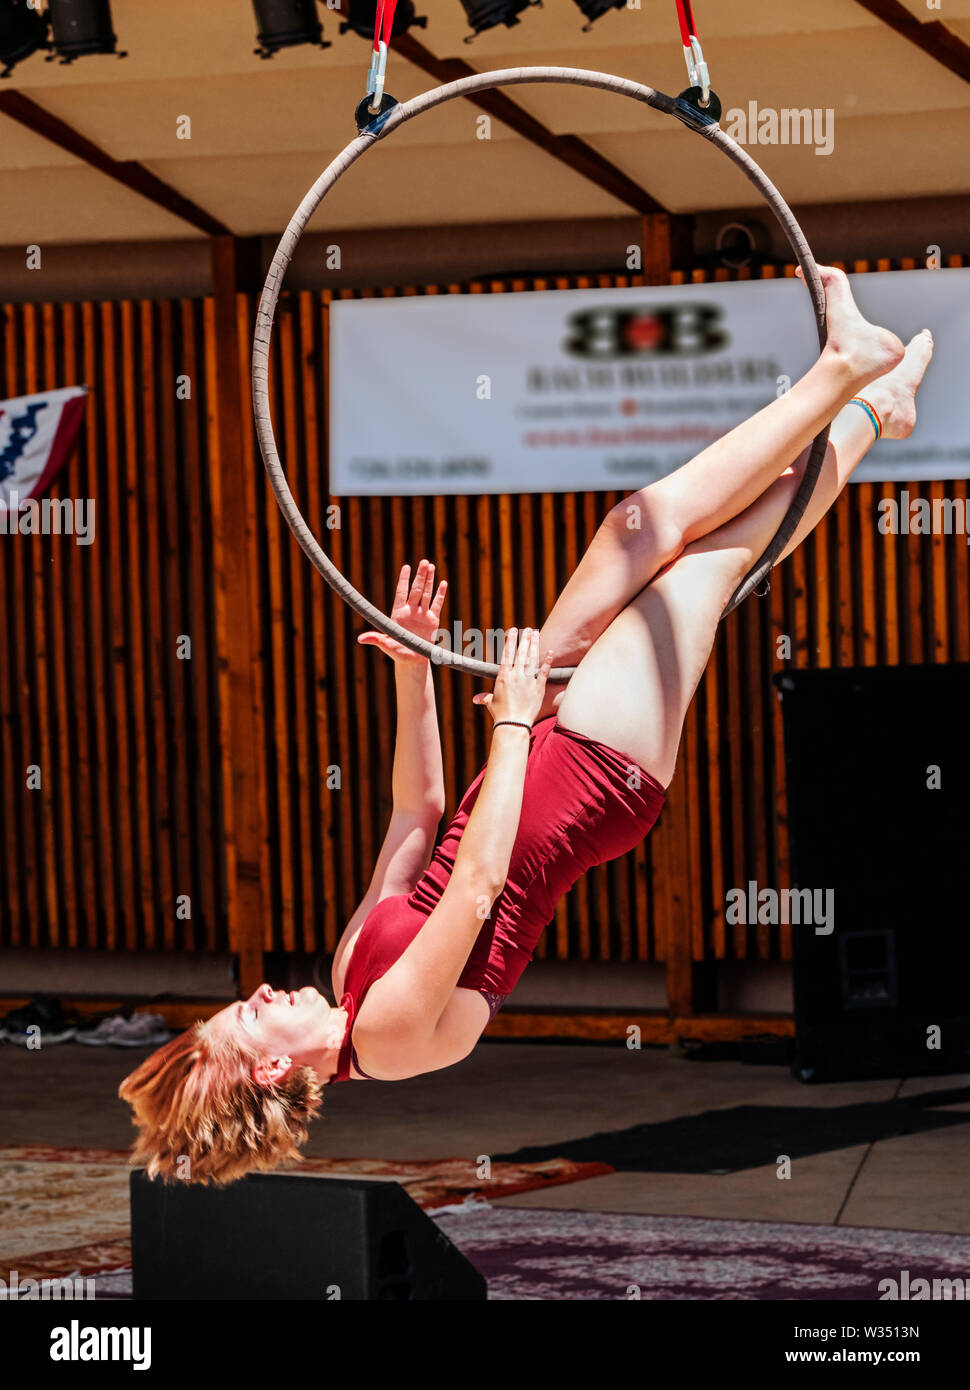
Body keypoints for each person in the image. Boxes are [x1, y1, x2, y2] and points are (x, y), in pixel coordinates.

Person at [119, 268, 933, 1183]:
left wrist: (415, 675)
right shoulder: (386, 1040)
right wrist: (510, 727)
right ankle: (854, 389)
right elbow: (476, 888)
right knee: (706, 561)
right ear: (271, 1066)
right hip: (595, 778)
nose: (259, 992)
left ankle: (870, 393)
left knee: (635, 525)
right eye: (251, 1012)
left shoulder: (353, 972)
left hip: (539, 745)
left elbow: (417, 817)